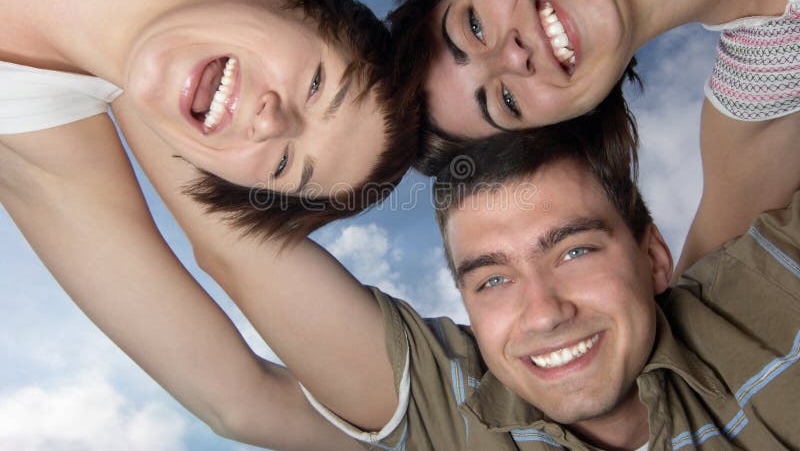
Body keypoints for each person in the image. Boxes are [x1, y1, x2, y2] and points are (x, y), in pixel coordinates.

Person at [117, 93, 799, 450]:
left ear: (652, 257)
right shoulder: (459, 417)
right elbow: (235, 247)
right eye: (492, 278)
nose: (543, 310)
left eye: (573, 250)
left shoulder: (767, 301)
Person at [0, 0, 416, 449]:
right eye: (315, 86)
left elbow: (237, 402)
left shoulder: (41, 131)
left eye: (284, 166)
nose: (272, 122)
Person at [388, 0, 800, 274]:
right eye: (507, 102)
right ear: (566, 120)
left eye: (473, 26)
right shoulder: (763, 88)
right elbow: (700, 313)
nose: (512, 56)